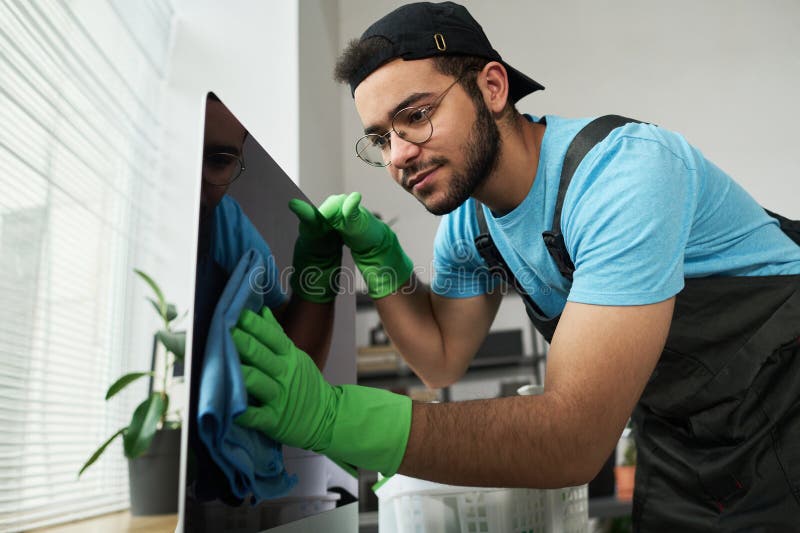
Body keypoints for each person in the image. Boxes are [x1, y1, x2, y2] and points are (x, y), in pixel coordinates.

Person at [230, 3, 800, 530]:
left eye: (417, 114)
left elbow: (575, 439)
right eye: (379, 138)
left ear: (493, 87)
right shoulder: (470, 227)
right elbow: (441, 360)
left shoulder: (622, 177)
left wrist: (335, 419)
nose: (397, 155)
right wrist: (380, 256)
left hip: (786, 405)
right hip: (681, 438)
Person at [189, 93, 341, 502]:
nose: (194, 179)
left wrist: (319, 275)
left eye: (219, 161)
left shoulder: (229, 230)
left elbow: (294, 368)